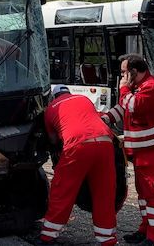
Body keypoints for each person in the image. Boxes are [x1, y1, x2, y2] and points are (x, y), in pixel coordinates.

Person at [103, 54, 154, 246]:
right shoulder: (139, 87)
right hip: (143, 153)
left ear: (135, 71)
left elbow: (133, 105)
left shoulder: (151, 87)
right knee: (144, 195)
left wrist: (124, 89)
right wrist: (105, 119)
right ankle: (145, 230)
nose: (123, 76)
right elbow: (124, 107)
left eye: (125, 72)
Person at [37, 85, 117, 246]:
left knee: (62, 189)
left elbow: (53, 140)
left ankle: (48, 235)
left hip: (77, 145)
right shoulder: (84, 99)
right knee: (104, 193)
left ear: (54, 96)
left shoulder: (51, 108)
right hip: (105, 143)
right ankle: (107, 239)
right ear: (68, 93)